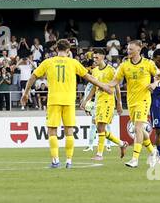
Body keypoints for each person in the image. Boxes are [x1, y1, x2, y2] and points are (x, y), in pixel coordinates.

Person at [20, 40, 115, 169]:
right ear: (69, 50)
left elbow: (32, 77)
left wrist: (25, 93)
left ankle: (55, 161)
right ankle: (69, 161)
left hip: (54, 100)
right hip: (69, 101)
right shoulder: (73, 62)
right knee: (69, 131)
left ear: (56, 49)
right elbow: (90, 78)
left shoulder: (48, 62)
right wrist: (104, 86)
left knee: (52, 131)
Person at [112, 39, 158, 168]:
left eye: (131, 49)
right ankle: (153, 151)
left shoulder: (148, 63)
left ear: (139, 49)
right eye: (128, 49)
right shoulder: (124, 65)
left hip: (143, 100)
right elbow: (114, 81)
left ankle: (135, 159)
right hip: (131, 101)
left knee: (137, 128)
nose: (128, 51)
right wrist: (101, 85)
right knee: (140, 130)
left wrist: (154, 83)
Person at [80, 49, 125, 161]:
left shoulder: (111, 70)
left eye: (97, 57)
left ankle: (99, 154)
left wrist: (119, 103)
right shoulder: (94, 71)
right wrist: (86, 101)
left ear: (103, 57)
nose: (94, 60)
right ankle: (121, 143)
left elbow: (117, 88)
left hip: (108, 102)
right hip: (98, 102)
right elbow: (94, 88)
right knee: (101, 128)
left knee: (100, 126)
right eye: (94, 58)